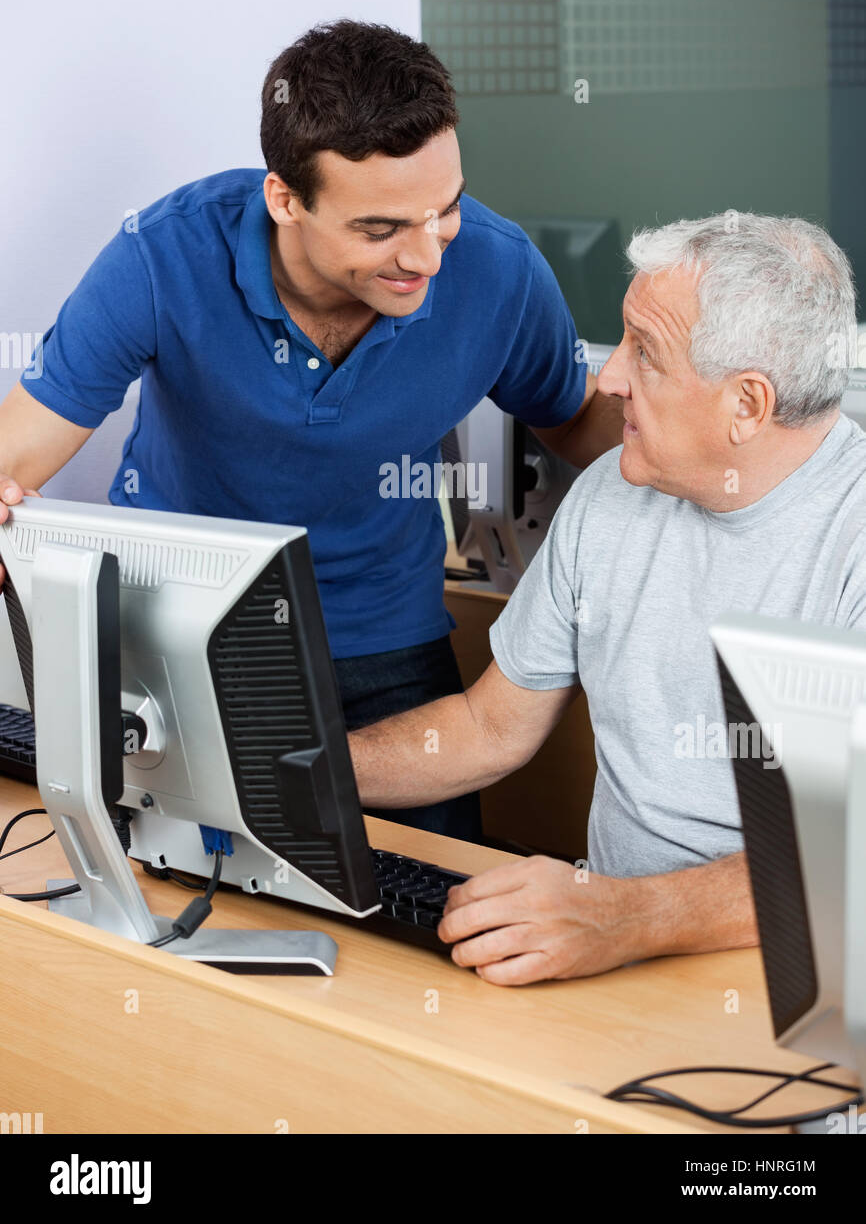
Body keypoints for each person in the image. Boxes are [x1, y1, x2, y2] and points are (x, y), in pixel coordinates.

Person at [0, 19, 622, 841]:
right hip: (181, 637)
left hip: (385, 640)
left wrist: (704, 423)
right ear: (285, 200)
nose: (427, 256)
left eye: (445, 209)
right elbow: (20, 453)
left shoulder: (499, 272)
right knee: (177, 896)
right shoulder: (164, 254)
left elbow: (578, 420)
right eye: (380, 229)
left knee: (422, 905)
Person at [348, 212, 866, 983]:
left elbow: (849, 861)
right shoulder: (611, 497)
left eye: (645, 353)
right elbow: (490, 730)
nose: (611, 377)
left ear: (747, 405)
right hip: (603, 947)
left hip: (790, 969)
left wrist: (630, 915)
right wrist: (293, 767)